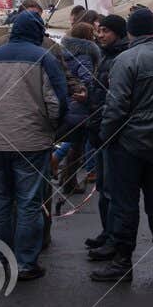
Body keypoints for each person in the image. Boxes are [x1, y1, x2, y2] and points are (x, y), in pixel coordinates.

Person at [0, 10, 67, 282]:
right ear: (37, 32)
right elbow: (57, 104)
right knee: (28, 203)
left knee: (0, 202)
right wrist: (50, 128)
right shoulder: (44, 58)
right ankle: (26, 264)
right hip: (33, 143)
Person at [89, 6, 153, 284]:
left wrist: (106, 135)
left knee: (124, 203)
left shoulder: (126, 60)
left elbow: (115, 106)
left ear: (129, 31)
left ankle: (122, 261)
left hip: (127, 142)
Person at [84, 13, 128, 249]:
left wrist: (106, 129)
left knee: (112, 190)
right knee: (103, 187)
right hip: (100, 130)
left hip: (112, 133)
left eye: (105, 31)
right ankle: (106, 232)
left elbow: (117, 101)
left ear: (118, 33)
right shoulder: (105, 56)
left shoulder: (120, 58)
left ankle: (114, 240)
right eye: (99, 31)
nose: (100, 35)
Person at [56, 19, 101, 196]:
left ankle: (67, 179)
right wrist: (87, 94)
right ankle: (69, 180)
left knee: (68, 141)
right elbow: (87, 78)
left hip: (66, 103)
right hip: (79, 106)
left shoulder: (63, 54)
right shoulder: (84, 55)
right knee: (77, 145)